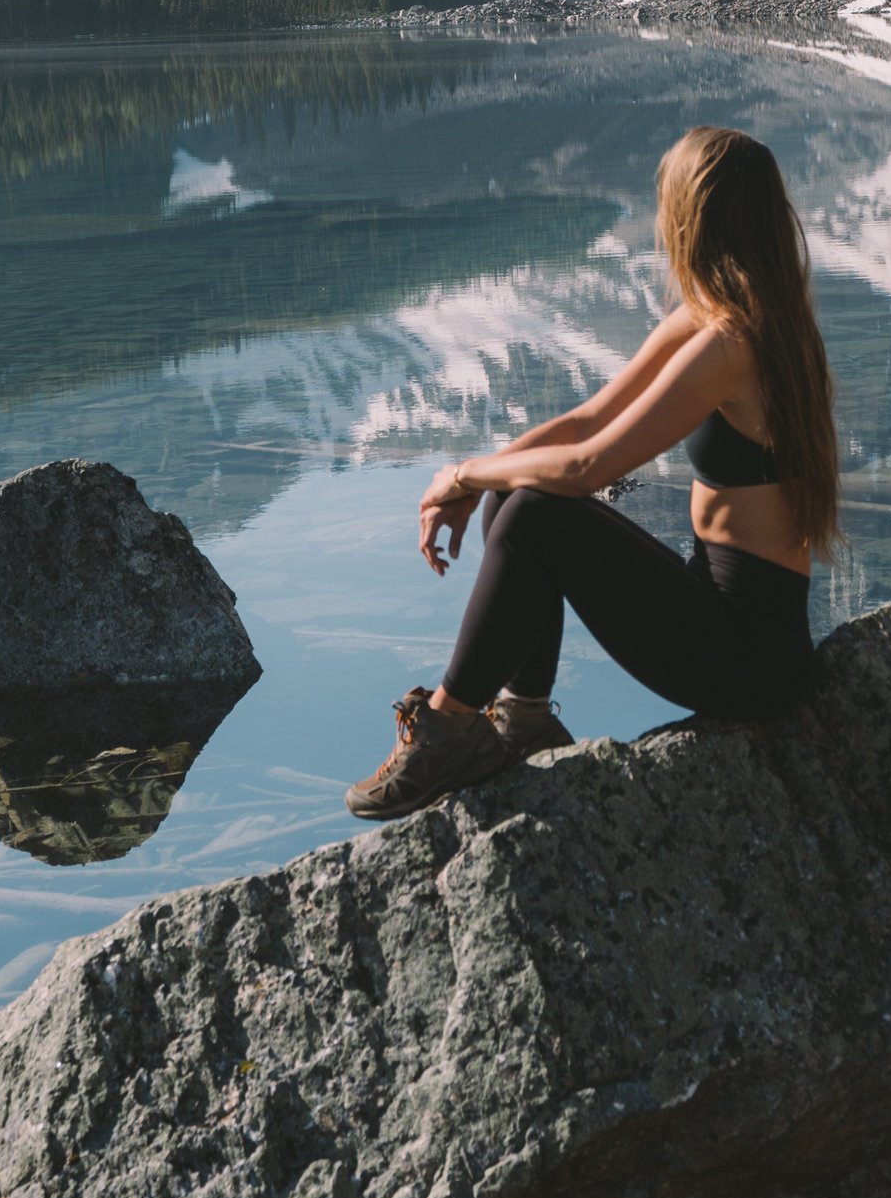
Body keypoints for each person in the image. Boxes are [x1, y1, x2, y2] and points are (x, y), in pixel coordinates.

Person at [349, 123, 839, 819]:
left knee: (533, 513)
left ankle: (448, 728)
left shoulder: (733, 344)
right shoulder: (731, 317)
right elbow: (584, 422)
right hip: (728, 618)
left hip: (750, 659)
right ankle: (522, 721)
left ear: (692, 218)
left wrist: (463, 477)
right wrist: (487, 478)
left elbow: (586, 466)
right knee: (517, 495)